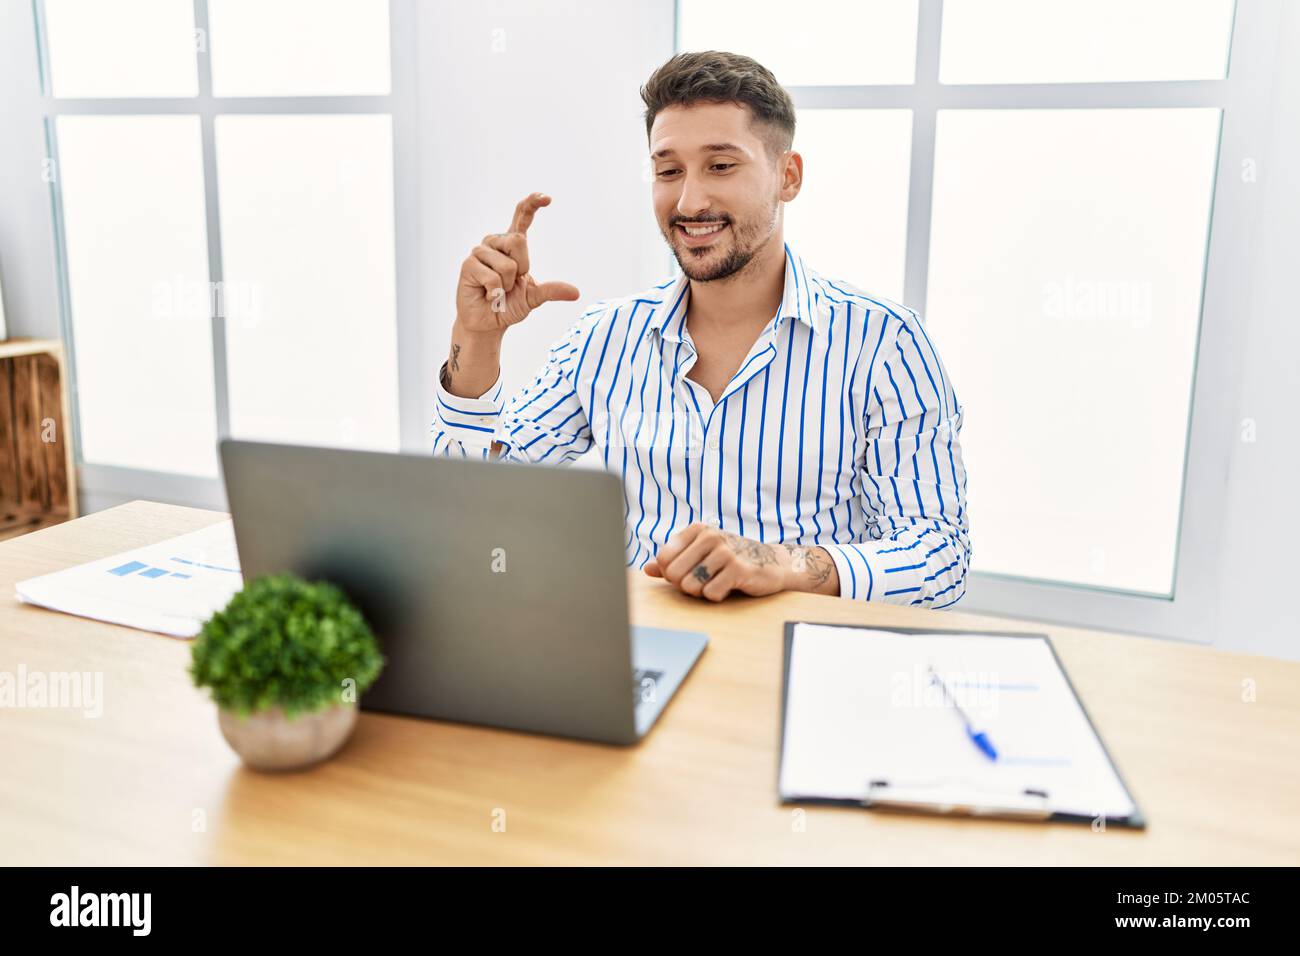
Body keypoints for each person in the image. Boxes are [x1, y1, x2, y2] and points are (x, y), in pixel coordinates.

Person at [432, 51, 969, 607]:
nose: (688, 202)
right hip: (638, 663)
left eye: (720, 165)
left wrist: (783, 563)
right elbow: (475, 500)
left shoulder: (885, 344)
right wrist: (478, 338)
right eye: (668, 171)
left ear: (788, 176)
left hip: (798, 663)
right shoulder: (604, 337)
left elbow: (940, 557)